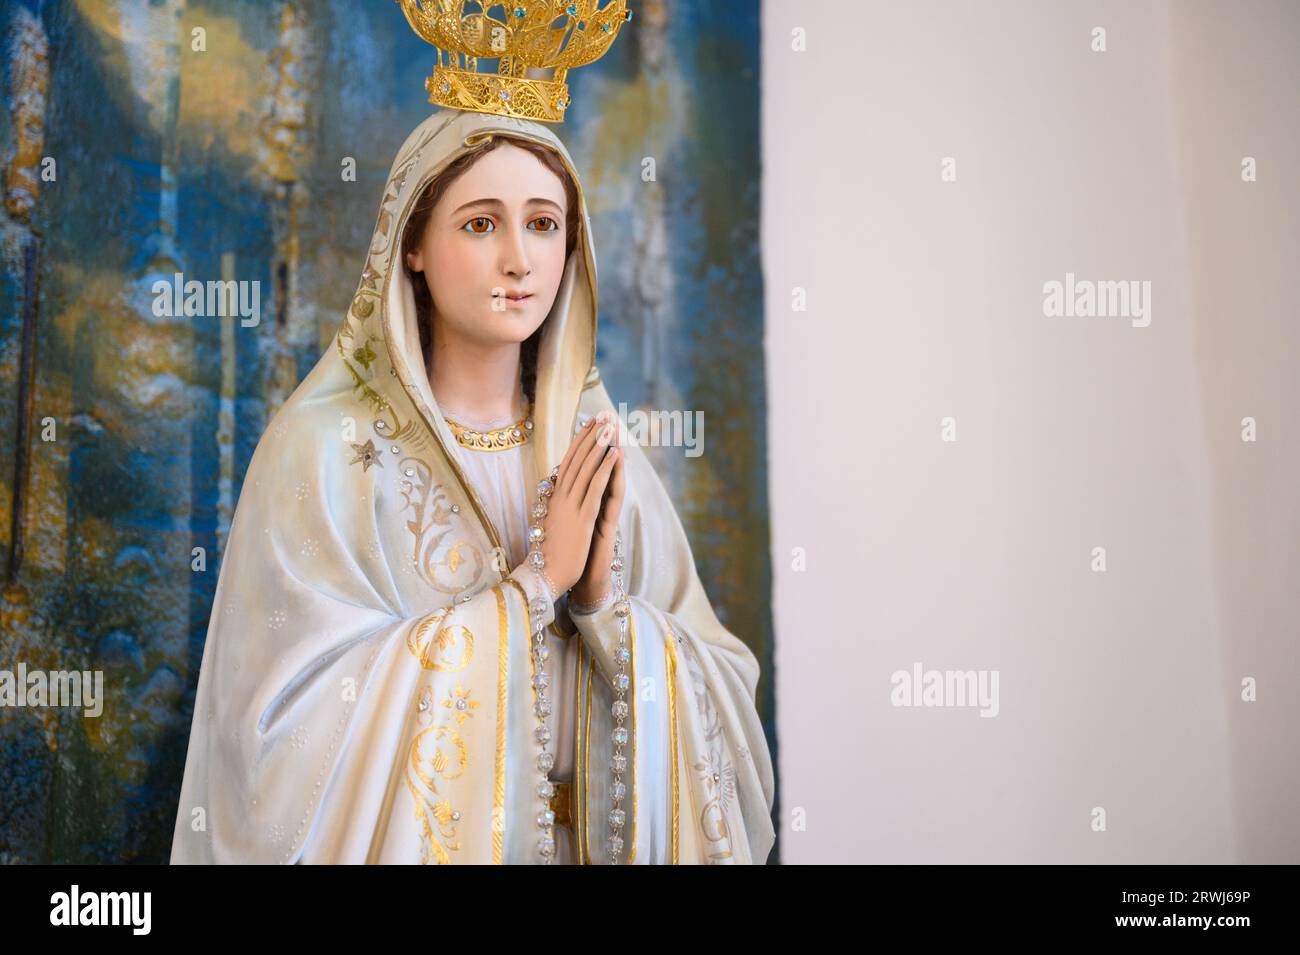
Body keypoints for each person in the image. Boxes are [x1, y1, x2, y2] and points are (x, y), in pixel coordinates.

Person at [169, 107, 775, 864]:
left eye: (545, 224)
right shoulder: (325, 454)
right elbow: (275, 741)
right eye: (482, 224)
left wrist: (601, 611)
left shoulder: (599, 454)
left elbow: (724, 693)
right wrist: (531, 589)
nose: (519, 260)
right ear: (413, 245)